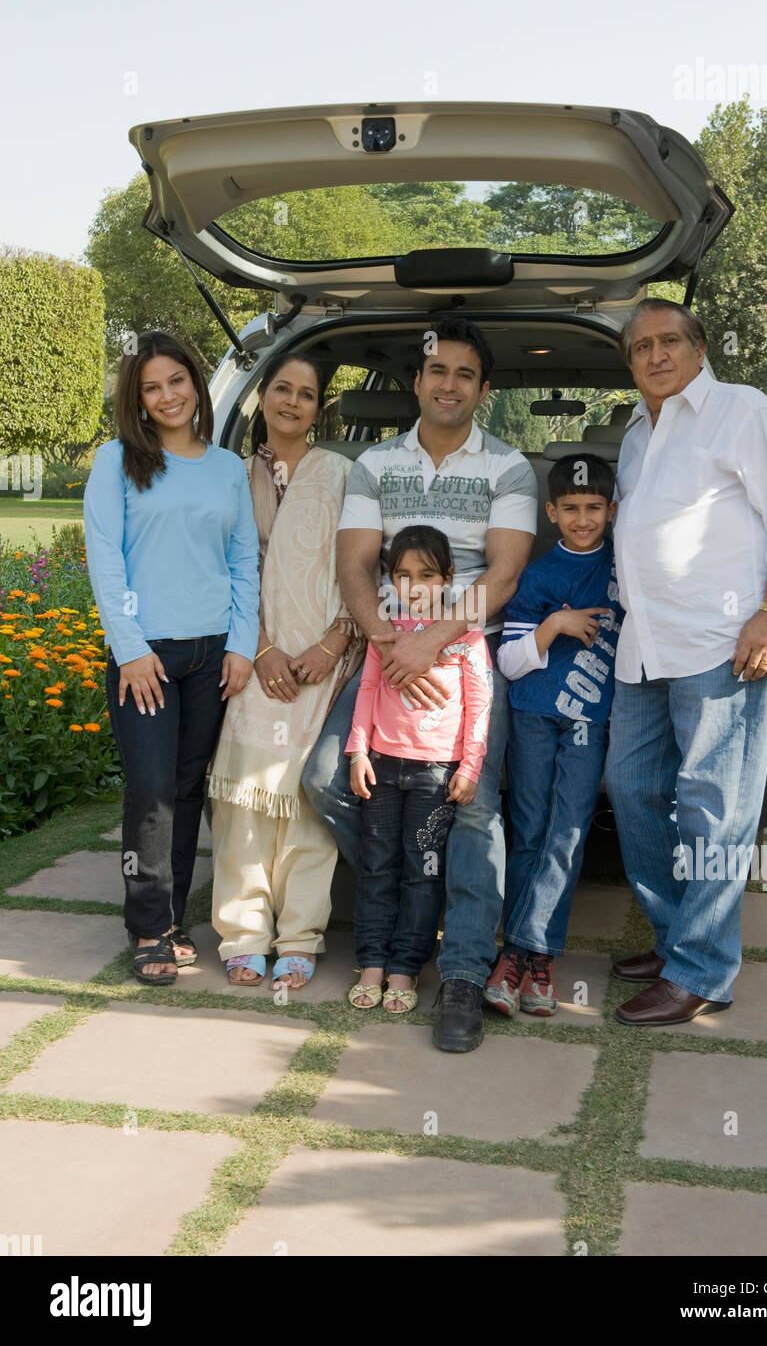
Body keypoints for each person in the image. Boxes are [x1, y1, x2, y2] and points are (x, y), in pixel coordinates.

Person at [302, 316, 537, 1052]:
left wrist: (431, 643)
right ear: (418, 380)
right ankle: (417, 881)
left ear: (483, 390)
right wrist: (388, 642)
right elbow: (355, 564)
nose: (449, 384)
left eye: (465, 374)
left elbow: (501, 574)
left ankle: (462, 970)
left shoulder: (509, 467)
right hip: (386, 650)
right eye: (438, 370)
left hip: (468, 656)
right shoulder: (374, 464)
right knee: (323, 778)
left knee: (472, 806)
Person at [605, 299, 767, 1025]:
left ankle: (701, 970)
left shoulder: (740, 409)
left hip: (719, 642)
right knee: (631, 792)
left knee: (713, 810)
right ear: (630, 363)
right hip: (643, 647)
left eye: (669, 342)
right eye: (641, 347)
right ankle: (675, 940)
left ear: (698, 348)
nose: (656, 355)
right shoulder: (637, 431)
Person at [83, 331, 259, 985]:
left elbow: (244, 560)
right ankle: (148, 927)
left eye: (176, 382)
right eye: (151, 388)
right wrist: (128, 650)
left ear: (194, 383)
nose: (166, 397)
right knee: (152, 794)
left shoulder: (226, 468)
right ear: (138, 398)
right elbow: (105, 556)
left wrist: (242, 645)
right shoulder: (116, 461)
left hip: (212, 655)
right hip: (146, 658)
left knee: (188, 792)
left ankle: (171, 918)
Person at [208, 353, 364, 989]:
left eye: (306, 394)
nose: (292, 402)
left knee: (304, 798)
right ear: (263, 397)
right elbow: (218, 565)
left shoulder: (345, 475)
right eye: (281, 389)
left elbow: (367, 567)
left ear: (319, 407)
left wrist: (332, 643)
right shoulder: (231, 475)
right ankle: (243, 931)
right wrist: (262, 645)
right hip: (251, 654)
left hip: (326, 654)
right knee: (242, 797)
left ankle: (300, 933)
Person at [486, 453, 622, 1017]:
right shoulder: (538, 575)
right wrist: (552, 626)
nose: (583, 519)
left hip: (591, 719)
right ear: (551, 511)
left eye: (594, 508)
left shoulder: (626, 567)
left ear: (612, 510)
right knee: (529, 829)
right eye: (571, 508)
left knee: (567, 833)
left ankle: (524, 955)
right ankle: (533, 958)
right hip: (535, 716)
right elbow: (511, 662)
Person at [347, 526, 492, 1014]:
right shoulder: (385, 632)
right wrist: (358, 752)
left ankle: (406, 968)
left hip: (435, 772)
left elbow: (480, 703)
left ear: (449, 578)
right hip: (383, 768)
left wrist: (469, 767)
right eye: (403, 575)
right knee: (377, 867)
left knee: (422, 872)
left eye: (427, 575)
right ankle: (371, 964)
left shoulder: (466, 634)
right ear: (390, 579)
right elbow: (369, 690)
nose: (415, 586)